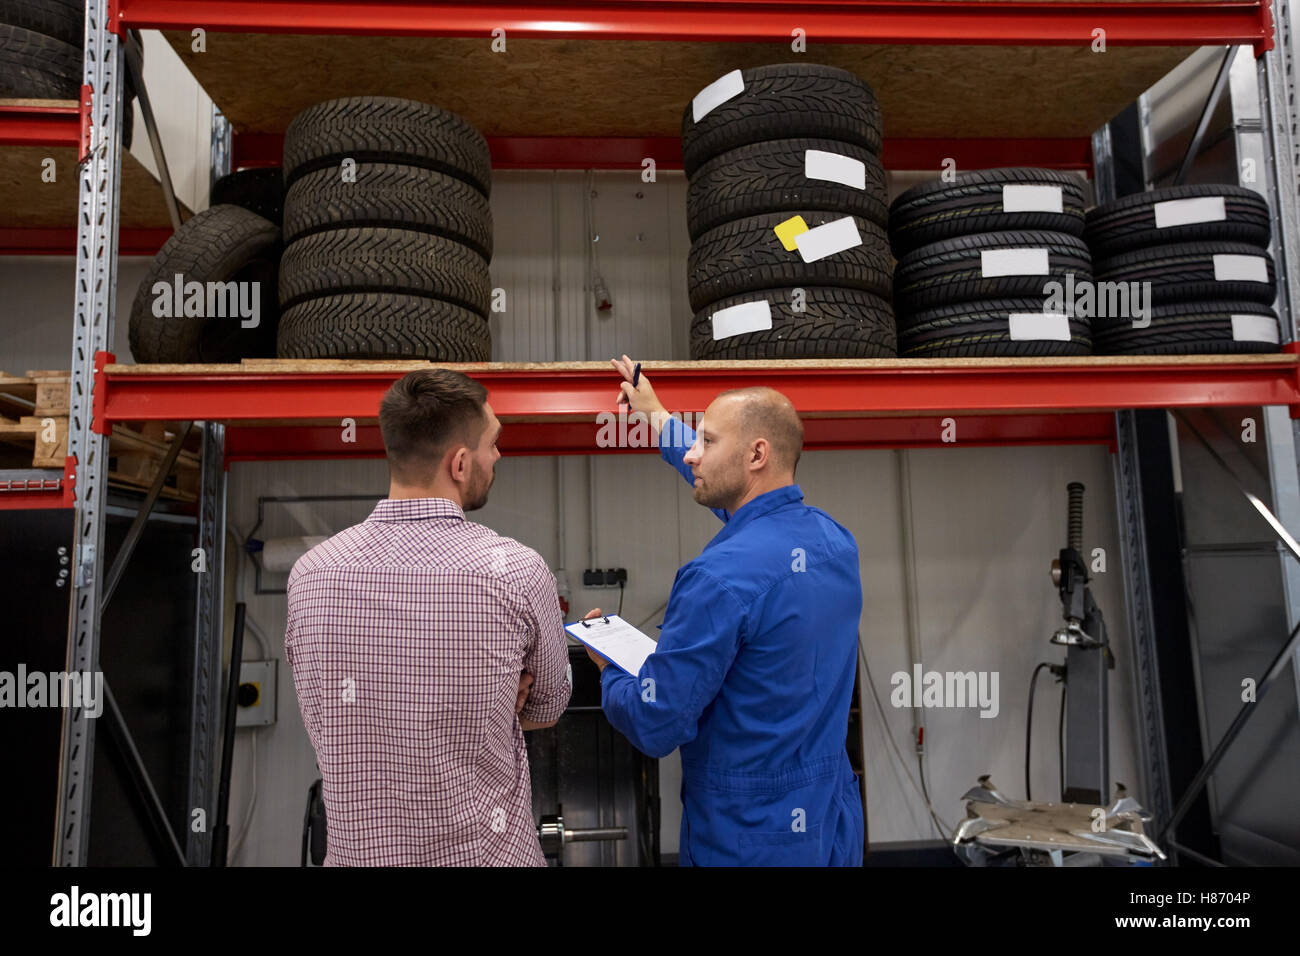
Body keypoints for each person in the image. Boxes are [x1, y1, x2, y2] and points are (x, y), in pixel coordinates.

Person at [583, 355, 864, 866]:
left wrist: (610, 672)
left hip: (747, 837)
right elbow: (750, 516)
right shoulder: (835, 544)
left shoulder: (714, 578)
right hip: (830, 822)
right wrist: (657, 415)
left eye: (707, 442)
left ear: (757, 454)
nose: (693, 455)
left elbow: (654, 723)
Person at [285, 369, 570, 866]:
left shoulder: (311, 574)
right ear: (459, 463)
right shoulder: (515, 572)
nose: (498, 456)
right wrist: (497, 700)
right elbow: (545, 709)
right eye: (493, 444)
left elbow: (328, 703)